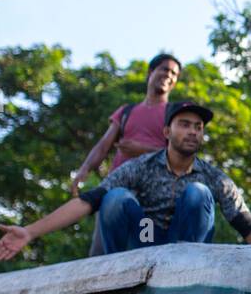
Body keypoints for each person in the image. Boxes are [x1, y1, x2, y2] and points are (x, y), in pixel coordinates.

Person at [0, 101, 251, 260]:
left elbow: (246, 224)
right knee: (114, 199)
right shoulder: (141, 167)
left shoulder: (215, 177)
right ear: (166, 131)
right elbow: (88, 201)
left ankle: (187, 267)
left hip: (186, 248)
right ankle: (114, 270)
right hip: (146, 240)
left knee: (199, 194)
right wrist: (29, 232)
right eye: (184, 125)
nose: (192, 132)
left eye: (198, 128)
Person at [71, 52, 180, 255]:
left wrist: (142, 150)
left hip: (153, 195)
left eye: (174, 73)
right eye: (164, 69)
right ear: (151, 72)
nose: (169, 75)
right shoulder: (126, 111)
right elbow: (104, 145)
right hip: (116, 189)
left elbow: (181, 154)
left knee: (143, 252)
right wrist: (84, 169)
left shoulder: (174, 113)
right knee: (101, 254)